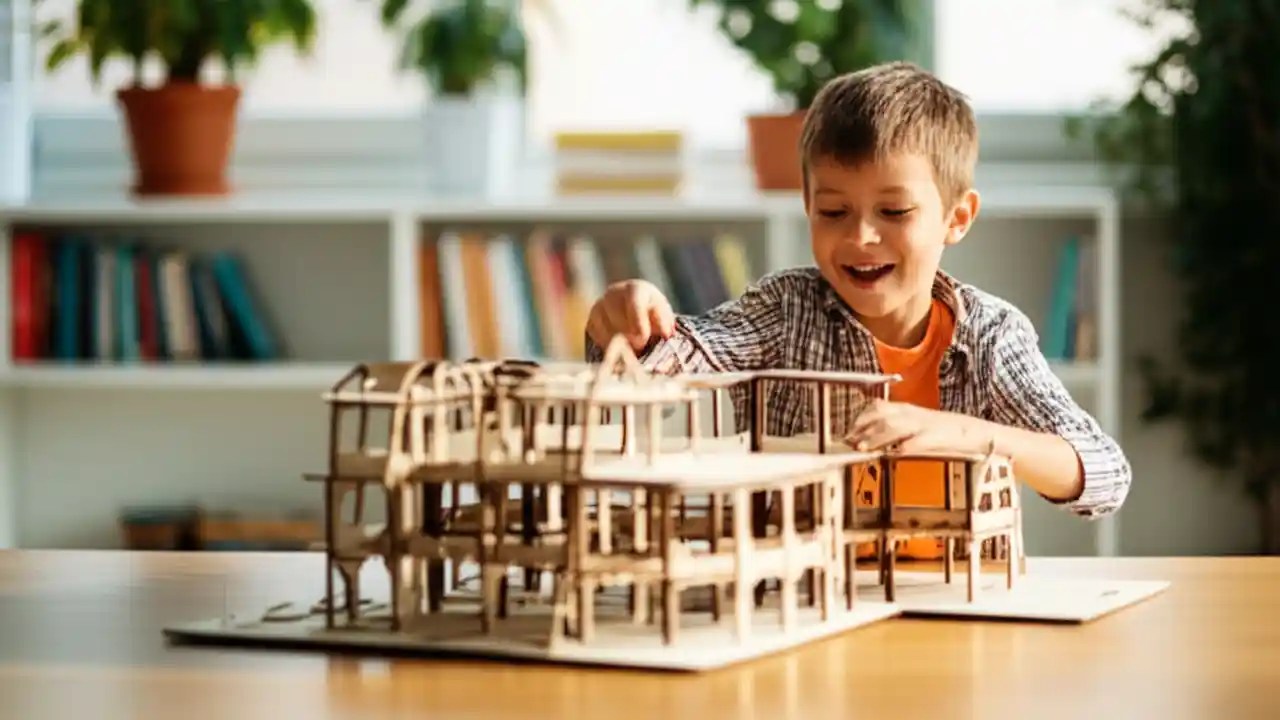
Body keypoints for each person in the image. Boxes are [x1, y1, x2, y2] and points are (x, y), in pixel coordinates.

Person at [583, 61, 1130, 557]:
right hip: (803, 596)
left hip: (961, 603)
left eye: (894, 211)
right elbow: (674, 360)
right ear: (808, 206)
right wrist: (630, 325)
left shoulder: (990, 335)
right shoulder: (785, 310)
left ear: (957, 218)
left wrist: (966, 434)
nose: (861, 236)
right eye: (833, 212)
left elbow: (1103, 474)